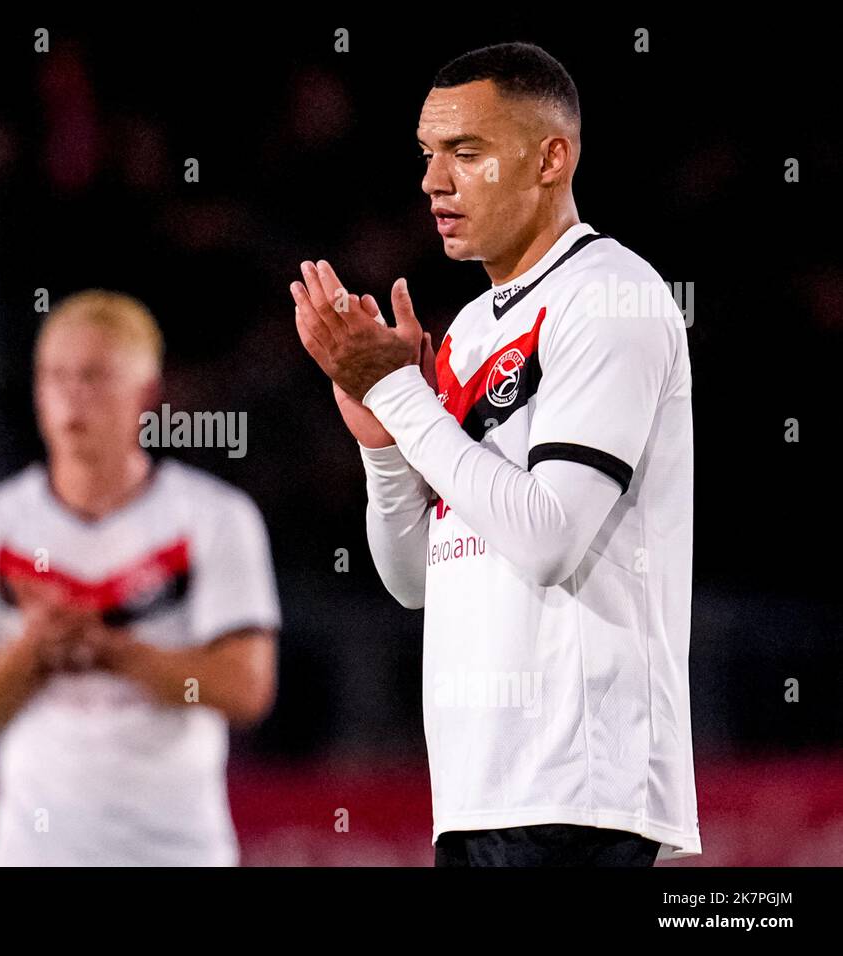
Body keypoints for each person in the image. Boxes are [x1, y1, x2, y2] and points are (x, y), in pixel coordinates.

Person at [291, 42, 699, 866]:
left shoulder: (610, 295)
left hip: (579, 787)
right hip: (480, 788)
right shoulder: (476, 327)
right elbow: (414, 581)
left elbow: (548, 541)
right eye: (427, 155)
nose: (432, 182)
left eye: (465, 153)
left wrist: (401, 394)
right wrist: (384, 443)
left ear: (552, 158)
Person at [0, 289, 280, 865]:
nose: (71, 396)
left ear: (146, 394)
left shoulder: (217, 518)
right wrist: (34, 652)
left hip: (178, 850)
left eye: (93, 377)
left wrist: (112, 650)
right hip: (34, 852)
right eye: (55, 376)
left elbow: (246, 690)